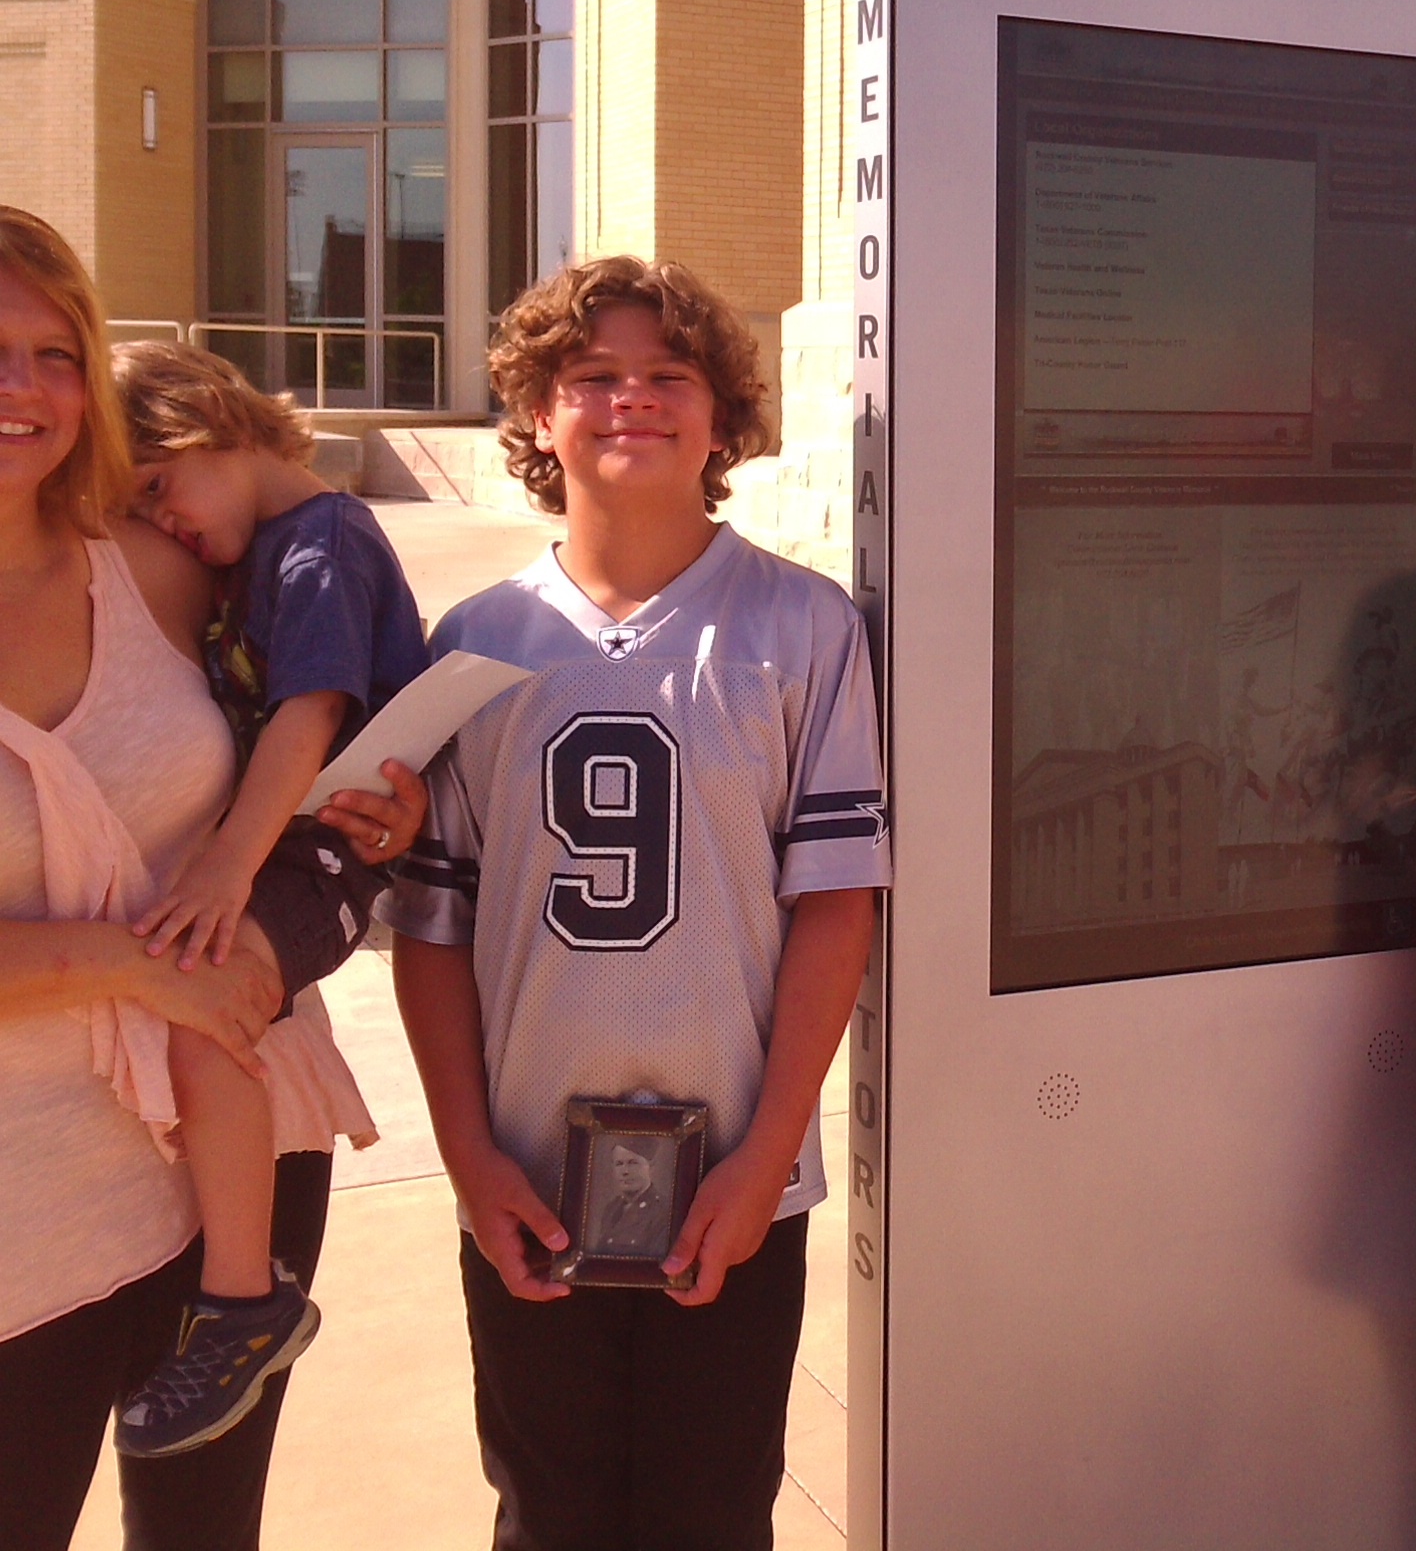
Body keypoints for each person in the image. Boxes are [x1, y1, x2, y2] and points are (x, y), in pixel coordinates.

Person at [382, 255, 892, 1551]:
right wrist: (466, 1157)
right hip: (527, 1180)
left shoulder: (802, 627)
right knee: (546, 1510)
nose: (630, 400)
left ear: (722, 415)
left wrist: (770, 1147)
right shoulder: (474, 644)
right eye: (591, 377)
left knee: (713, 1514)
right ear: (536, 416)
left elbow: (835, 904)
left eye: (667, 376)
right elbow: (432, 928)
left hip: (732, 1176)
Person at [0, 207, 423, 1551]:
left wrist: (380, 798)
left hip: (237, 1151)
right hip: (26, 1212)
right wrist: (134, 966)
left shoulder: (162, 563)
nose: (23, 388)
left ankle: (246, 1301)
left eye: (55, 350)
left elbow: (299, 720)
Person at [90, 341, 427, 1458]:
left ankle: (245, 1301)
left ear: (205, 427)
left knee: (199, 993)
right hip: (285, 842)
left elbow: (312, 711)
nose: (168, 523)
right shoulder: (270, 548)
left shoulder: (319, 543)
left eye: (158, 489)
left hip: (317, 856)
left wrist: (228, 864)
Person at [593, 1144, 672, 1257]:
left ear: (651, 1166)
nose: (625, 1171)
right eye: (619, 1164)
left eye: (633, 1163)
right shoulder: (611, 1209)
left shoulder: (663, 1212)